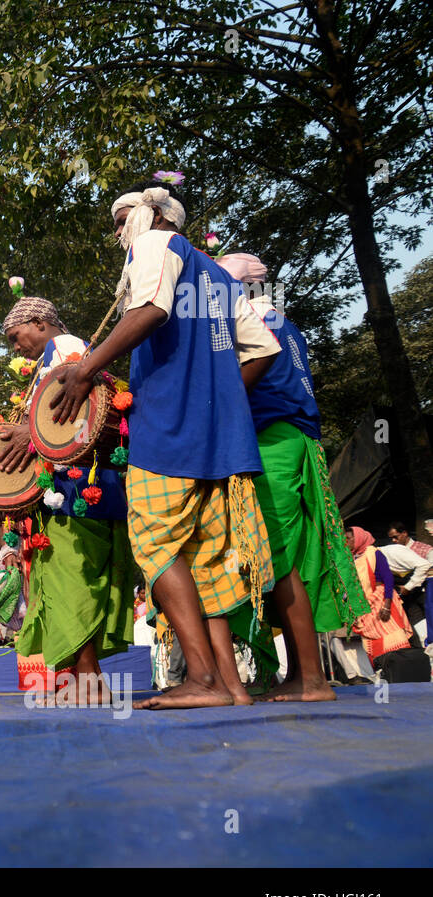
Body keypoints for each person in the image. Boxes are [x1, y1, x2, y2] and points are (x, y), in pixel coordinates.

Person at [50, 178, 275, 709]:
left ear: (145, 216)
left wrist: (87, 369)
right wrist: (215, 402)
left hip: (167, 431)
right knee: (204, 559)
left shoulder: (154, 243)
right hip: (216, 439)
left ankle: (200, 678)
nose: (119, 237)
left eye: (119, 224)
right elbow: (262, 348)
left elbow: (150, 310)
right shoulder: (218, 276)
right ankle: (230, 686)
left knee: (154, 545)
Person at [217, 253, 370, 702]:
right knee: (293, 556)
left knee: (276, 555)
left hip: (271, 443)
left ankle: (312, 679)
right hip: (294, 439)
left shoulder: (251, 325)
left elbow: (236, 387)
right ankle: (301, 675)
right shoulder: (281, 322)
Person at [0, 295, 134, 703]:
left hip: (78, 487)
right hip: (72, 486)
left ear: (39, 322)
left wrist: (30, 434)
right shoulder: (52, 359)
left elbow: (79, 418)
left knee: (75, 579)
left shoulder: (67, 349)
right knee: (65, 578)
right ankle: (75, 679)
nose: (15, 348)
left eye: (15, 337)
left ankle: (89, 681)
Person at [345, 526, 414, 666]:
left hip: (381, 599)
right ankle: (380, 669)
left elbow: (388, 578)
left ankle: (398, 668)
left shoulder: (375, 554)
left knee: (392, 634)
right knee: (371, 639)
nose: (346, 542)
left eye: (349, 538)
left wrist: (387, 605)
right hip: (365, 602)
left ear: (358, 539)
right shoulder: (351, 558)